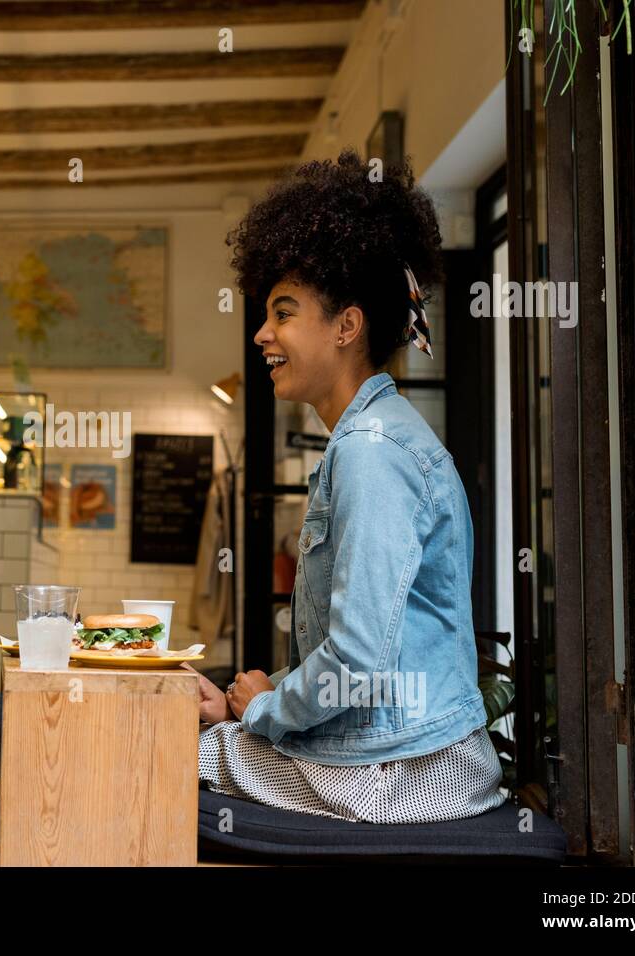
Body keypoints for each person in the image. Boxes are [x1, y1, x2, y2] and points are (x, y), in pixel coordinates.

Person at [192, 151, 505, 824]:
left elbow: (358, 661)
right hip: (403, 757)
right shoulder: (376, 437)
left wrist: (265, 709)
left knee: (153, 754)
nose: (262, 333)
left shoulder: (370, 452)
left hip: (400, 775)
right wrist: (258, 696)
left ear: (346, 326)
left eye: (283, 313)